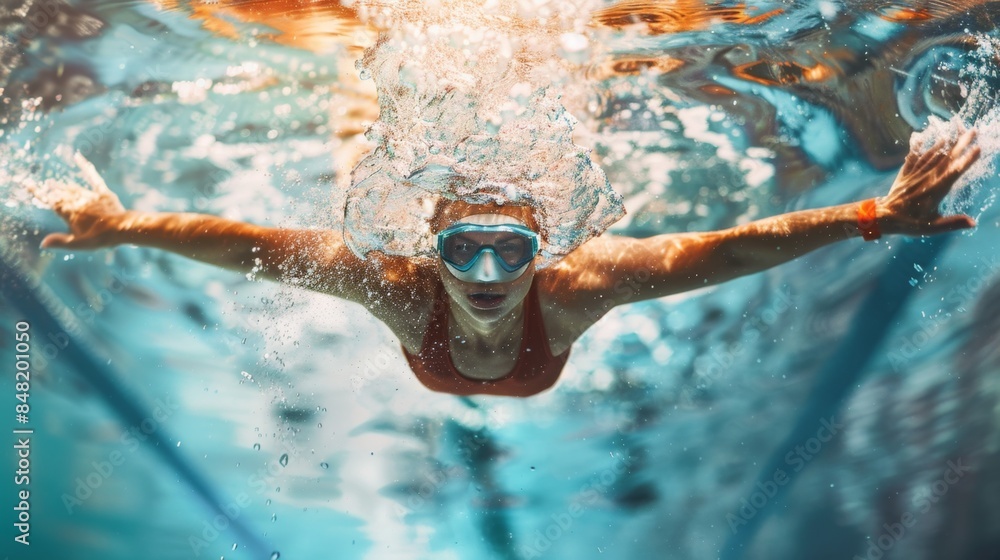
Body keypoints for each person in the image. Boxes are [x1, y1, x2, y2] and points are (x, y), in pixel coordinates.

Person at [29, 128, 981, 397]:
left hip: (526, 366)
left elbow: (718, 254)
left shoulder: (579, 289)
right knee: (352, 150)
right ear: (430, 251)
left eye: (510, 246)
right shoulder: (399, 289)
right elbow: (249, 250)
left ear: (543, 250)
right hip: (462, 362)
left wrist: (872, 214)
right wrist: (124, 225)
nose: (486, 268)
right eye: (462, 246)